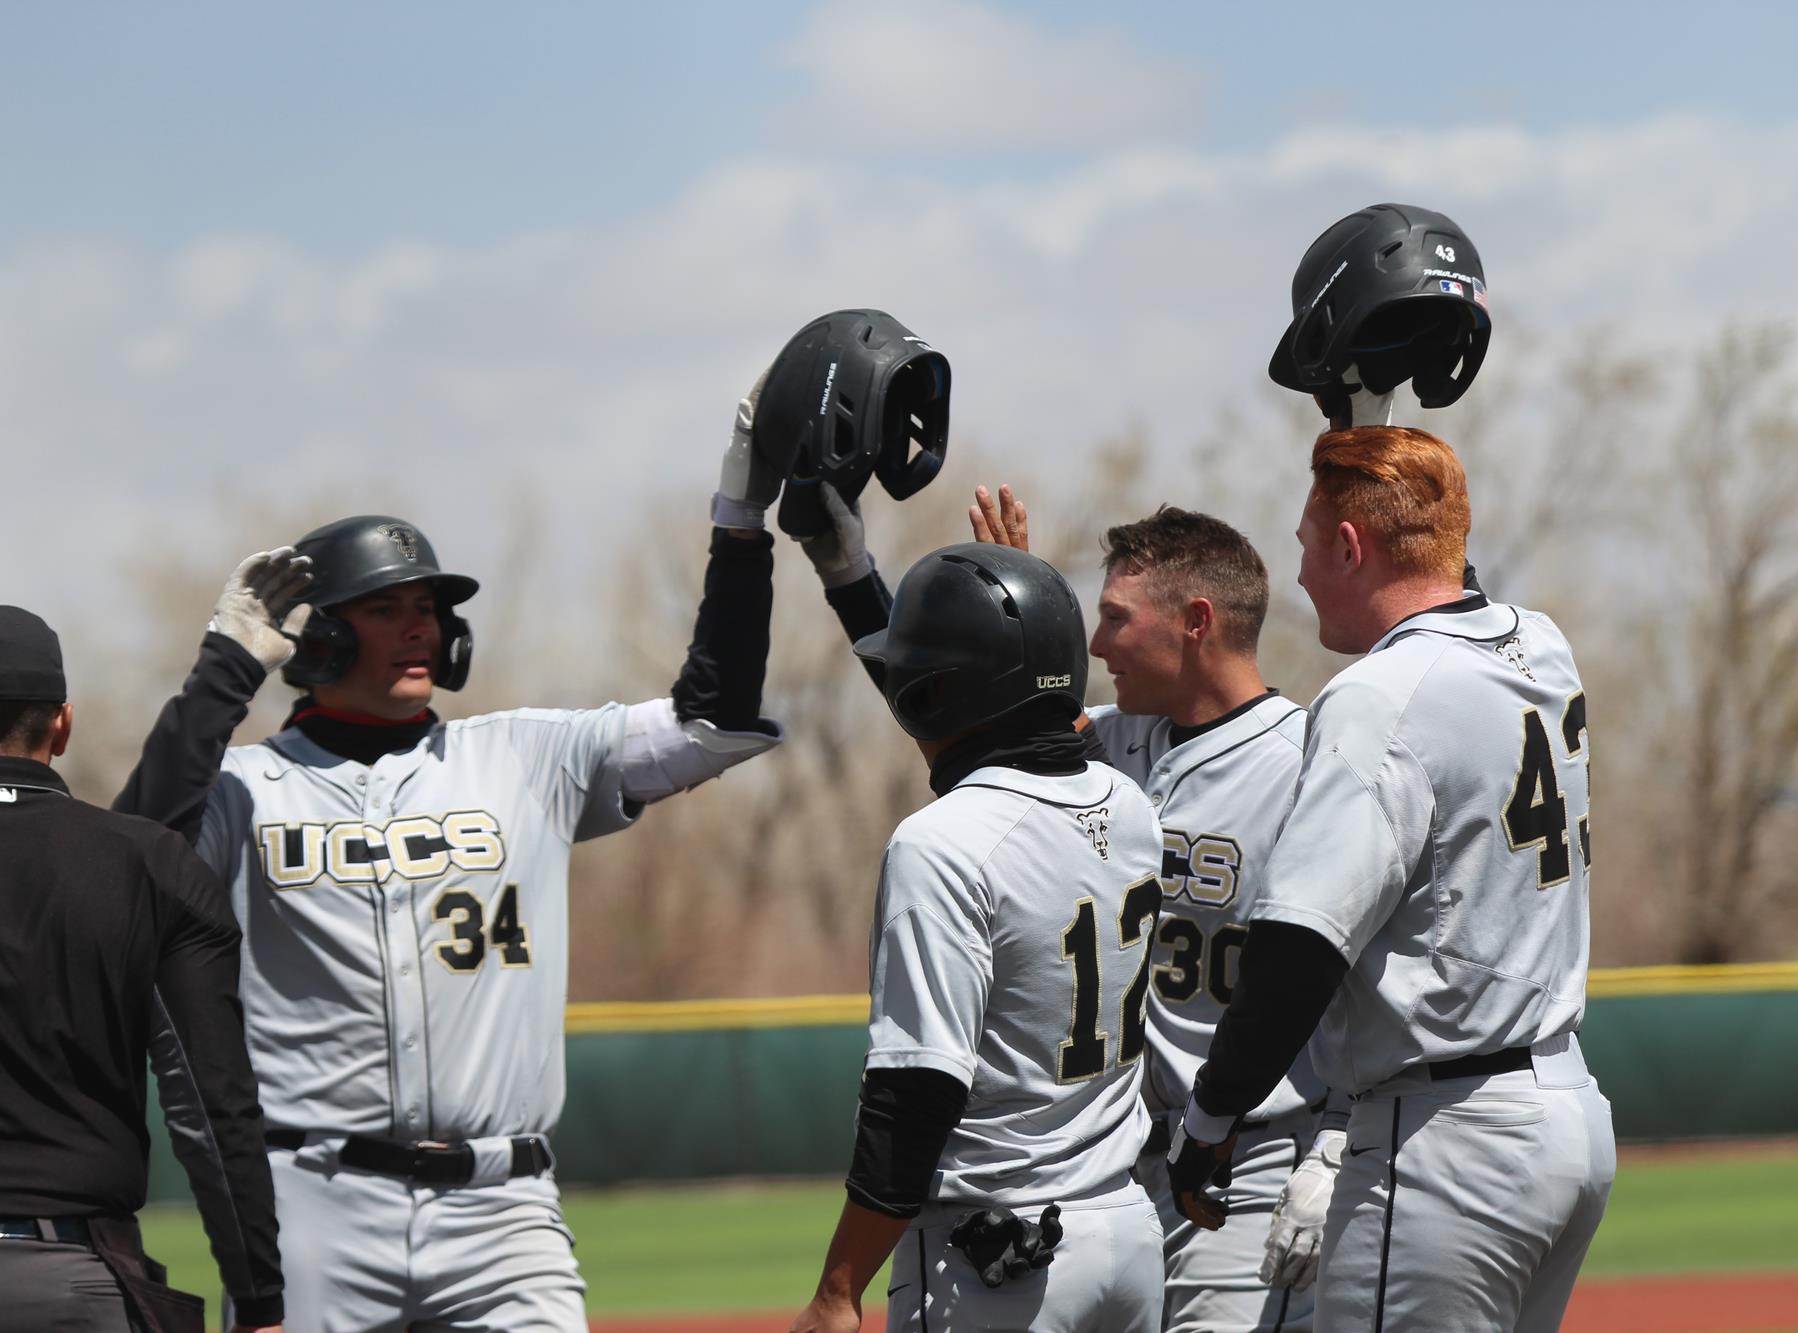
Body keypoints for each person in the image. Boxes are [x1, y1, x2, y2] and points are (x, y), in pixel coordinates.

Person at [110, 382, 791, 1332]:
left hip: (503, 1208)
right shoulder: (243, 786)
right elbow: (127, 869)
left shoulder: (525, 756)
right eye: (387, 607)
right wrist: (226, 665)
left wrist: (741, 519)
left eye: (428, 605)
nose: (421, 624)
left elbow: (709, 716)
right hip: (313, 1203)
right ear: (326, 635)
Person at [1166, 425, 1616, 1333]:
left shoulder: (1377, 696)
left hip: (1447, 1140)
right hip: (1566, 1114)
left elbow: (1297, 949)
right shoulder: (1542, 644)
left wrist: (1212, 1116)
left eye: (1304, 544)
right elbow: (1455, 585)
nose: (1296, 574)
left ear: (1347, 545)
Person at [966, 488, 1333, 1331]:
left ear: (1195, 620)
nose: (1097, 645)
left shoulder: (1306, 760)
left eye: (1116, 618)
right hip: (1119, 1167)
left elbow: (1360, 969)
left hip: (1253, 1155)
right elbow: (959, 712)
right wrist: (1008, 596)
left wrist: (1341, 1141)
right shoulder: (1111, 740)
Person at [790, 543, 1167, 1333]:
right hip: (1130, 1234)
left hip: (998, 1258)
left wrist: (837, 1288)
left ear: (932, 695)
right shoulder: (1130, 807)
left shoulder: (942, 842)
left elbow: (917, 1091)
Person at [0, 606, 283, 1333]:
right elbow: (211, 1102)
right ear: (62, 725)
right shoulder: (147, 862)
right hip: (65, 1276)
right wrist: (257, 1295)